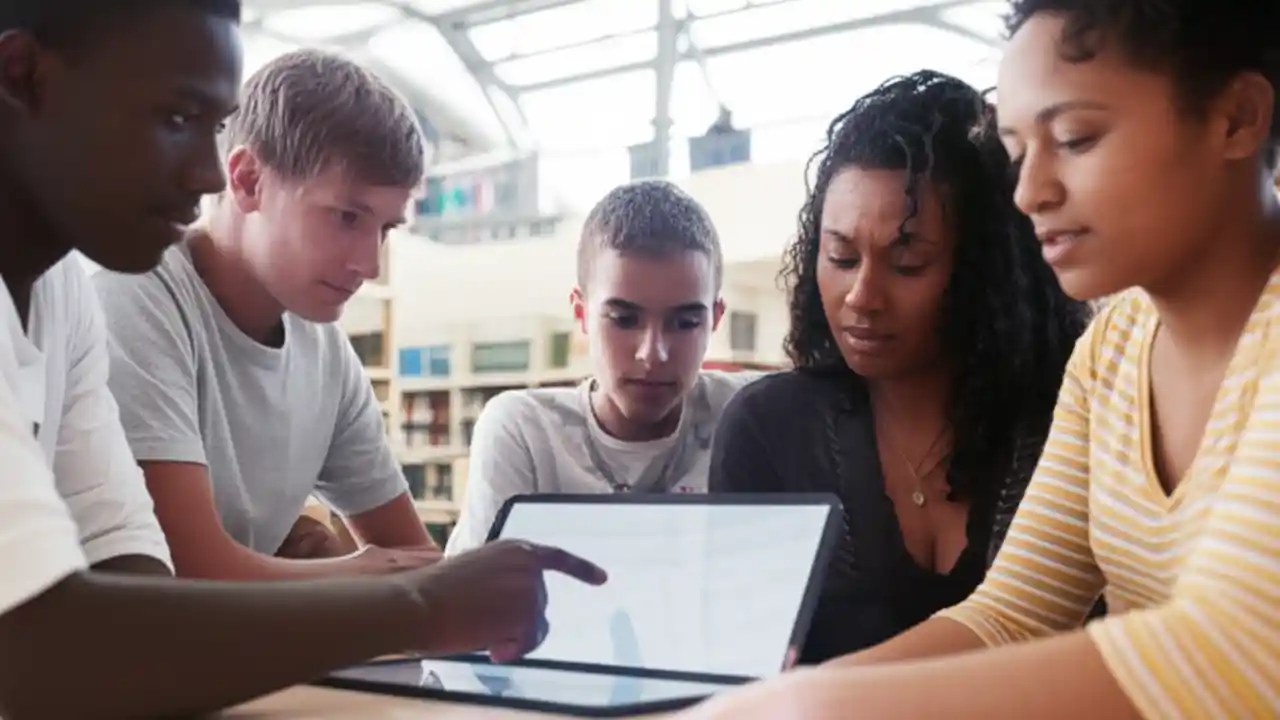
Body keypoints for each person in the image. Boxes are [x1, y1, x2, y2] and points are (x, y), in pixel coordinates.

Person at [0, 2, 604, 717]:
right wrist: (406, 600)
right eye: (175, 118)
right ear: (23, 76)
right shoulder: (129, 294)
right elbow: (40, 640)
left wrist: (408, 592)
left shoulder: (65, 294)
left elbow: (131, 570)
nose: (206, 175)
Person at [679, 1, 1280, 718]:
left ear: (1238, 118)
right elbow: (1012, 616)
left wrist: (808, 708)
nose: (1030, 193)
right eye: (1020, 152)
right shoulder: (1111, 353)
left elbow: (1230, 653)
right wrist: (779, 696)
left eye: (1076, 137)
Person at [708, 70, 1091, 664]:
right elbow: (740, 660)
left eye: (907, 264)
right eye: (840, 256)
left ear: (983, 273)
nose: (862, 295)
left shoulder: (1064, 421)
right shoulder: (769, 429)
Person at [93, 48, 442, 580]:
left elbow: (417, 564)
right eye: (347, 217)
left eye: (386, 229)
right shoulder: (136, 294)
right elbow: (190, 574)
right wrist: (360, 575)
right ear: (249, 180)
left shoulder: (326, 352)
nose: (369, 264)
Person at [445, 180, 758, 555]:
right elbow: (475, 604)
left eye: (685, 323)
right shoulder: (525, 432)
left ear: (715, 319)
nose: (652, 353)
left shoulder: (750, 413)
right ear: (581, 313)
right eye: (624, 319)